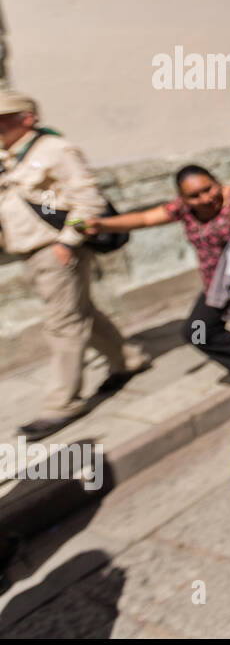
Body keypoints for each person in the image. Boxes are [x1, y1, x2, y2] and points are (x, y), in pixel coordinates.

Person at [0, 90, 150, 438]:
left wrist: (69, 241)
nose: (0, 125)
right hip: (30, 250)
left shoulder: (56, 150)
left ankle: (61, 403)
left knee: (62, 323)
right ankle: (127, 360)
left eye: (6, 117)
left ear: (28, 118)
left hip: (55, 249)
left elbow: (89, 202)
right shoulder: (10, 156)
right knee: (80, 312)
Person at [83, 165, 230, 381]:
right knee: (198, 332)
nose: (204, 199)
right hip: (216, 285)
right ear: (183, 198)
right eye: (194, 196)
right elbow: (145, 219)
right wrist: (102, 225)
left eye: (208, 189)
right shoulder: (183, 209)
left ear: (217, 182)